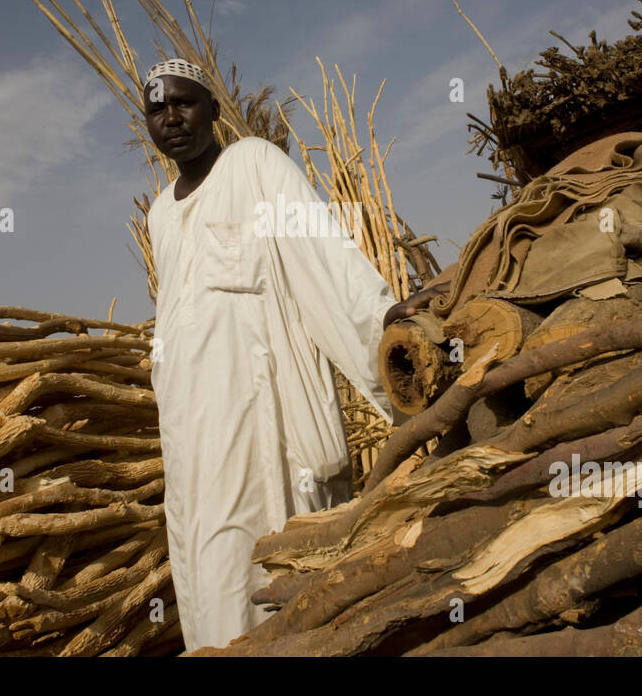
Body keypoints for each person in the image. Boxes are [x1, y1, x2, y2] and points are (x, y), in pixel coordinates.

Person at [142, 58, 442, 650]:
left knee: (264, 564)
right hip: (189, 434)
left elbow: (319, 252)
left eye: (184, 102)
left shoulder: (252, 163)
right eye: (158, 108)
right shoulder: (160, 213)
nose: (172, 118)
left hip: (260, 424)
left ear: (214, 110)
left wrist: (379, 317)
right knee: (205, 569)